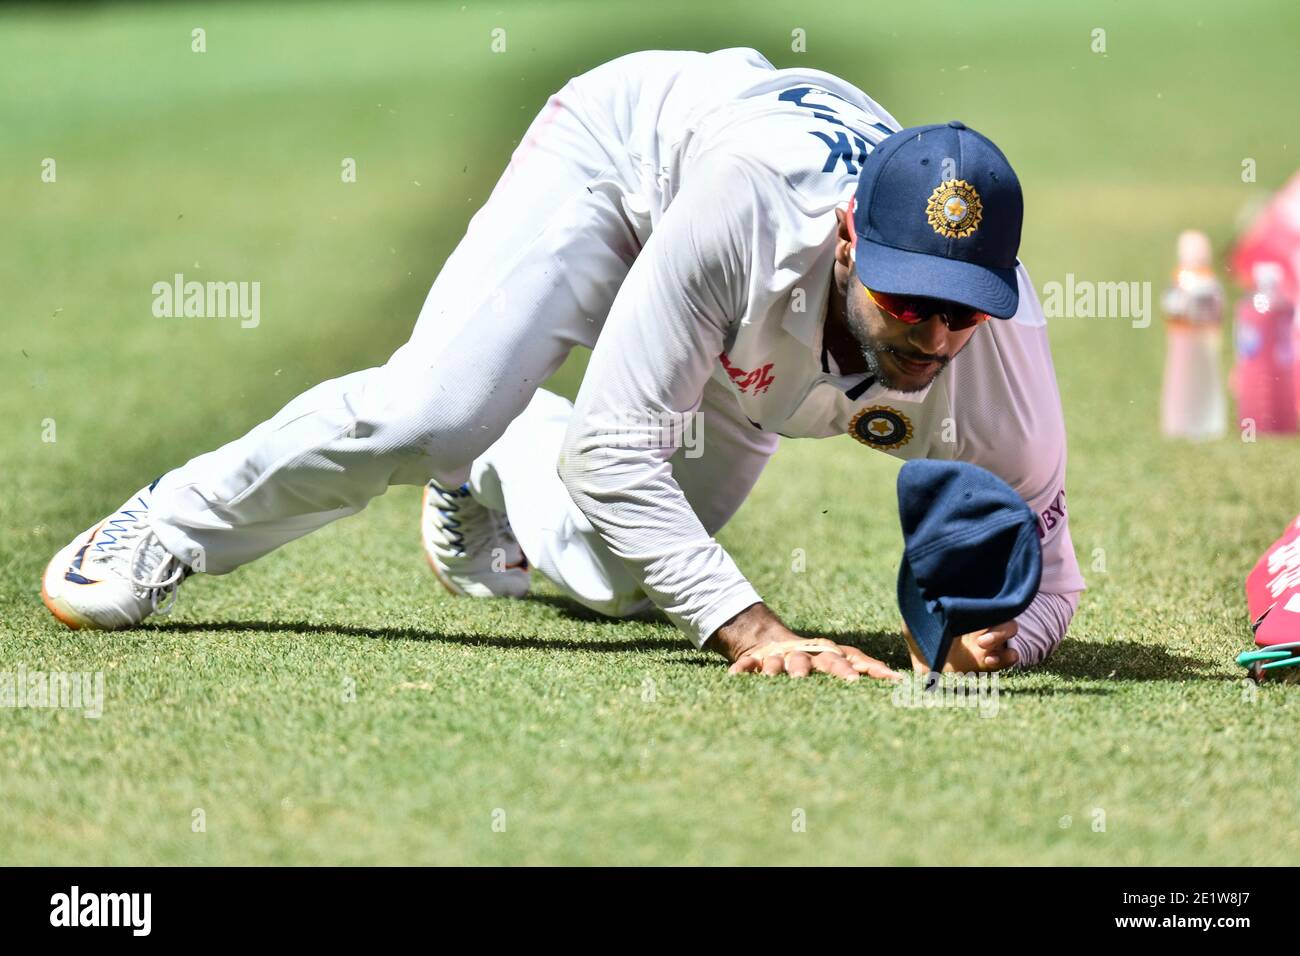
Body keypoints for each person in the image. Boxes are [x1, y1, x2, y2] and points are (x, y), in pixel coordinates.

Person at [42, 48, 1084, 681]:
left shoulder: (999, 359)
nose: (936, 339)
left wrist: (1000, 641)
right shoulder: (745, 212)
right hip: (624, 173)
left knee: (620, 572)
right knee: (433, 411)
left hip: (745, 330)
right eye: (910, 301)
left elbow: (1052, 561)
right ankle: (170, 521)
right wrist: (751, 625)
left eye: (965, 312)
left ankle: (497, 457)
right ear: (853, 235)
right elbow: (619, 452)